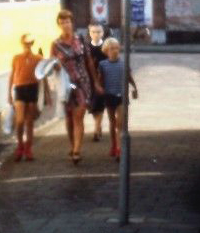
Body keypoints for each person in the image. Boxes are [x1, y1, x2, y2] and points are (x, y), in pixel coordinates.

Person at [52, 10, 100, 165]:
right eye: (62, 23)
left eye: (67, 22)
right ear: (59, 25)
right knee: (69, 119)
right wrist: (57, 68)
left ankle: (77, 150)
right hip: (66, 85)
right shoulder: (56, 44)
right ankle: (72, 146)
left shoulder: (80, 39)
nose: (65, 25)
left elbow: (89, 62)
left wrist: (96, 82)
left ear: (72, 23)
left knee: (78, 116)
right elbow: (52, 65)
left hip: (82, 83)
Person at [95, 37, 137, 160]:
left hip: (122, 96)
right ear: (106, 50)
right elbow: (99, 79)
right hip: (109, 96)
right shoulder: (102, 65)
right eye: (112, 48)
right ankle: (113, 145)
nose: (115, 51)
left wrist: (135, 88)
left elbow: (129, 77)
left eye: (117, 48)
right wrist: (99, 88)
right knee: (112, 123)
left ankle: (119, 148)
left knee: (120, 123)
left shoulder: (124, 64)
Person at [8, 33, 43, 161]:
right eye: (25, 43)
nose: (27, 46)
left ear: (32, 44)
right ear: (22, 44)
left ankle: (28, 148)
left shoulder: (38, 58)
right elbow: (12, 75)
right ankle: (20, 145)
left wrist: (46, 96)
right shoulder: (16, 58)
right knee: (20, 120)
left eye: (30, 43)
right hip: (20, 88)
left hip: (32, 88)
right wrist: (9, 94)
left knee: (29, 122)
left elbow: (42, 77)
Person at [85, 22, 108, 142]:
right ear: (90, 33)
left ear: (102, 33)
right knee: (93, 106)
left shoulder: (106, 47)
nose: (96, 34)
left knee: (100, 104)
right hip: (89, 81)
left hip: (103, 80)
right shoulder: (86, 48)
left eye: (98, 32)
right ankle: (98, 125)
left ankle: (96, 129)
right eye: (93, 32)